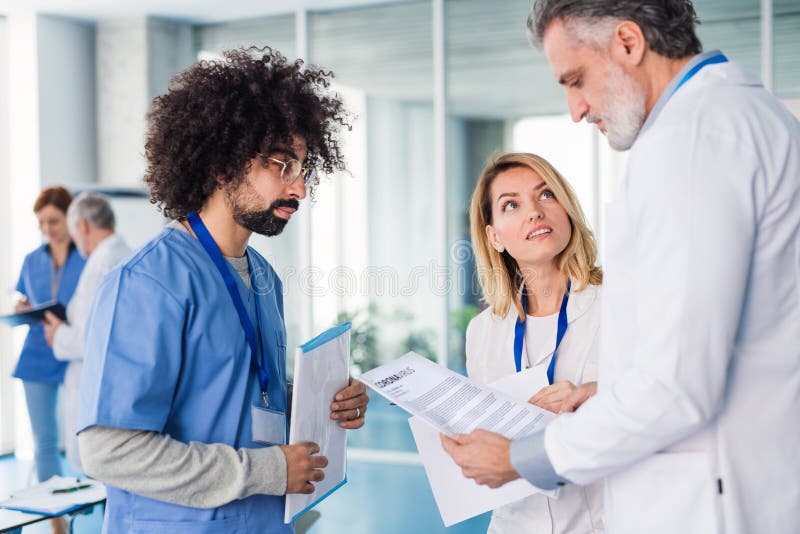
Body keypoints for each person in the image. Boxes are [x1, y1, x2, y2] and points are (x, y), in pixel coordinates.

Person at [441, 2, 800, 533]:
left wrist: (522, 457)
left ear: (629, 43)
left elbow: (677, 385)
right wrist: (596, 395)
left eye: (576, 79)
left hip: (713, 500)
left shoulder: (691, 142)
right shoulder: (737, 117)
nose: (576, 110)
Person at [77, 47, 368, 533]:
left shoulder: (264, 278)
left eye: (303, 169)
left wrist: (322, 399)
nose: (299, 189)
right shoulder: (148, 283)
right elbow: (108, 450)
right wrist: (266, 471)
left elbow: (237, 393)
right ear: (222, 164)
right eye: (282, 165)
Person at [457, 152, 603, 533]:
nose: (535, 212)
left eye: (546, 195)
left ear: (566, 209)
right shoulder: (482, 332)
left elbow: (661, 399)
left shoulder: (620, 303)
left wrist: (595, 394)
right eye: (512, 205)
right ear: (494, 237)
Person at [12, 186, 85, 534]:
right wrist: (22, 309)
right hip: (38, 355)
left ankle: (89, 504)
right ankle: (57, 523)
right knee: (44, 442)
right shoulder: (32, 260)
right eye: (41, 223)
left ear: (70, 218)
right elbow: (25, 301)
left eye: (53, 221)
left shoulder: (88, 257)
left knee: (83, 437)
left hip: (75, 354)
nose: (47, 229)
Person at [42, 192, 131, 473]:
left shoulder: (102, 263)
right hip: (113, 380)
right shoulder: (123, 254)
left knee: (98, 468)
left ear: (82, 226)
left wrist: (58, 335)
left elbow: (93, 337)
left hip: (95, 378)